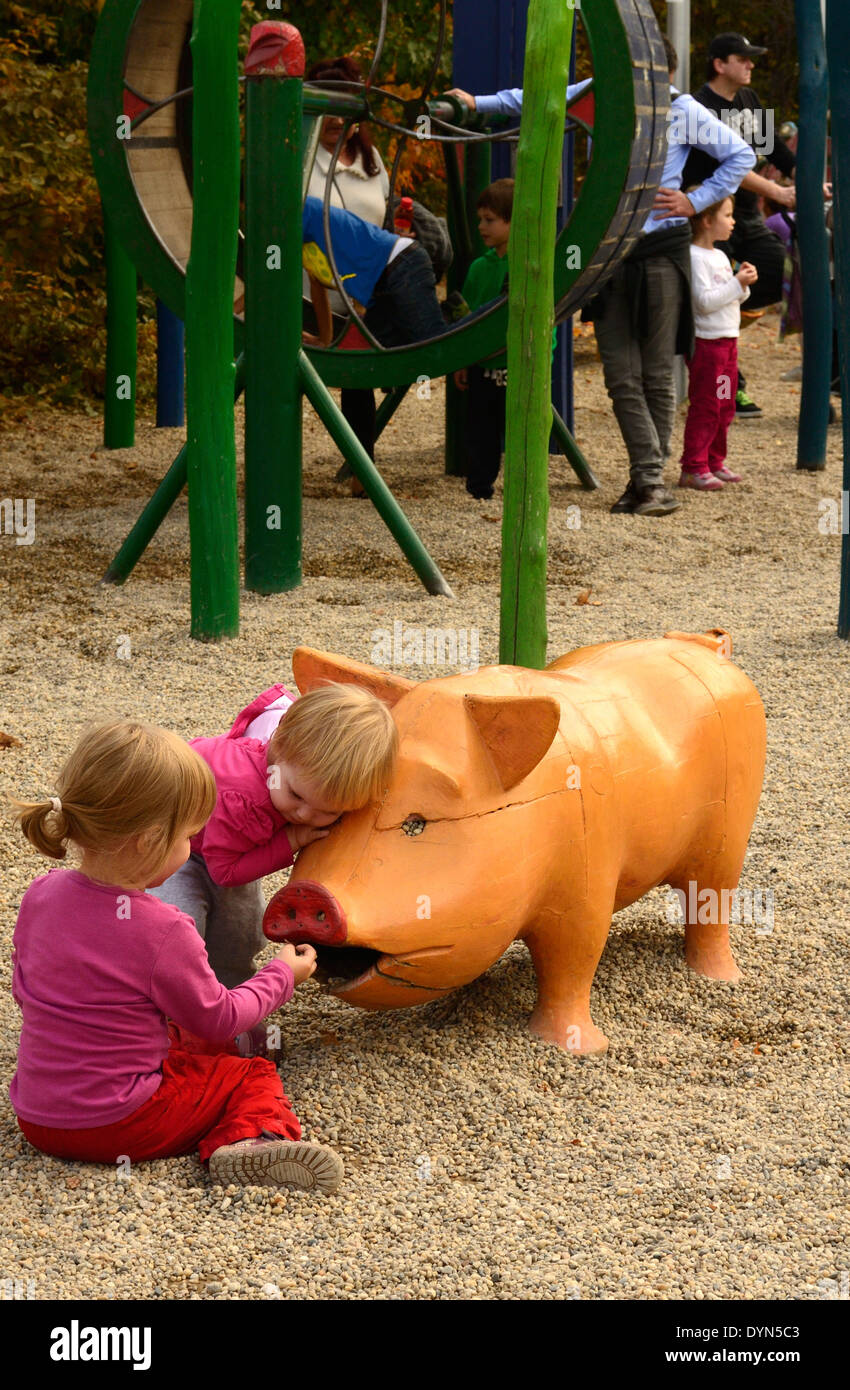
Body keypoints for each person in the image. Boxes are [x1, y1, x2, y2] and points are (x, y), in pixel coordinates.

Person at [9, 720, 344, 1192]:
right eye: (189, 838)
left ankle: (231, 1066)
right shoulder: (162, 929)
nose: (193, 849)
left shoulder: (41, 894)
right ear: (148, 841)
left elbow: (27, 992)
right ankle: (251, 1140)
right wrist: (282, 974)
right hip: (119, 1123)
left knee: (169, 1029)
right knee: (252, 1075)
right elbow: (220, 1016)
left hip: (37, 1117)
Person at [449, 36, 756, 516]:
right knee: (623, 372)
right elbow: (542, 99)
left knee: (651, 371)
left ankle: (649, 480)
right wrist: (479, 103)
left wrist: (694, 201)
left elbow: (742, 155)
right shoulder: (603, 94)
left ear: (662, 74)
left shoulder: (681, 109)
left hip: (656, 249)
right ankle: (649, 479)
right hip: (612, 251)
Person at [150, 680, 398, 1030]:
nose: (305, 815)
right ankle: (162, 1015)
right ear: (277, 751)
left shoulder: (296, 769)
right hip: (176, 849)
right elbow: (225, 872)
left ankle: (230, 1009)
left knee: (242, 936)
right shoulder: (244, 797)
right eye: (296, 796)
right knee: (180, 929)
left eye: (328, 811)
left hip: (231, 846)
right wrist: (290, 841)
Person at [681, 32, 805, 421]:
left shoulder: (748, 101)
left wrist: (806, 179)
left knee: (775, 274)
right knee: (716, 294)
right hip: (709, 218)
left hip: (744, 217)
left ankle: (711, 313)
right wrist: (780, 193)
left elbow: (776, 152)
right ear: (720, 64)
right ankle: (730, 387)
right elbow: (731, 169)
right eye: (743, 58)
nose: (751, 65)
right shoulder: (698, 107)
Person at [305, 56, 390, 482]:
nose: (338, 119)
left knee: (360, 376)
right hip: (308, 295)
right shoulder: (300, 167)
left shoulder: (372, 165)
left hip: (366, 297)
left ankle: (361, 465)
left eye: (347, 109)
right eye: (327, 109)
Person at [678, 196, 758, 491]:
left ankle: (714, 459)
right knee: (707, 403)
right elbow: (704, 302)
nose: (733, 221)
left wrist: (743, 285)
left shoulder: (721, 256)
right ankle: (693, 466)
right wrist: (737, 284)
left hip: (728, 344)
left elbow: (733, 297)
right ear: (707, 220)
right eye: (727, 215)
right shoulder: (694, 257)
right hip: (707, 345)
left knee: (725, 403)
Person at [301, 194, 448, 350]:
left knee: (432, 339)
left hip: (400, 262)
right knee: (378, 353)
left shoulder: (305, 209)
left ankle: (465, 320)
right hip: (378, 288)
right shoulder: (307, 248)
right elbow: (317, 287)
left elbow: (275, 269)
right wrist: (324, 340)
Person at [453, 179, 513, 500]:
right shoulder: (479, 267)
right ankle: (479, 487)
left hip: (515, 365)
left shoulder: (526, 264)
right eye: (480, 219)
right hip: (482, 366)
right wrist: (464, 359)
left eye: (490, 220)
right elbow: (468, 316)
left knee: (516, 429)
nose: (481, 226)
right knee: (480, 429)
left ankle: (521, 486)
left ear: (513, 220)